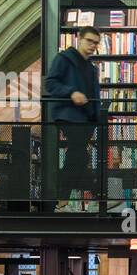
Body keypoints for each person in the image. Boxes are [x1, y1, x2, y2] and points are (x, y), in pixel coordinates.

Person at [44, 25, 105, 213]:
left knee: (78, 158)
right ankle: (95, 194)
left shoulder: (91, 68)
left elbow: (94, 94)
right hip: (69, 115)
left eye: (96, 43)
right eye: (89, 41)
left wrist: (98, 116)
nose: (92, 45)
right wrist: (71, 93)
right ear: (79, 38)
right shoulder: (64, 59)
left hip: (87, 119)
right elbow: (50, 83)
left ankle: (67, 200)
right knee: (78, 156)